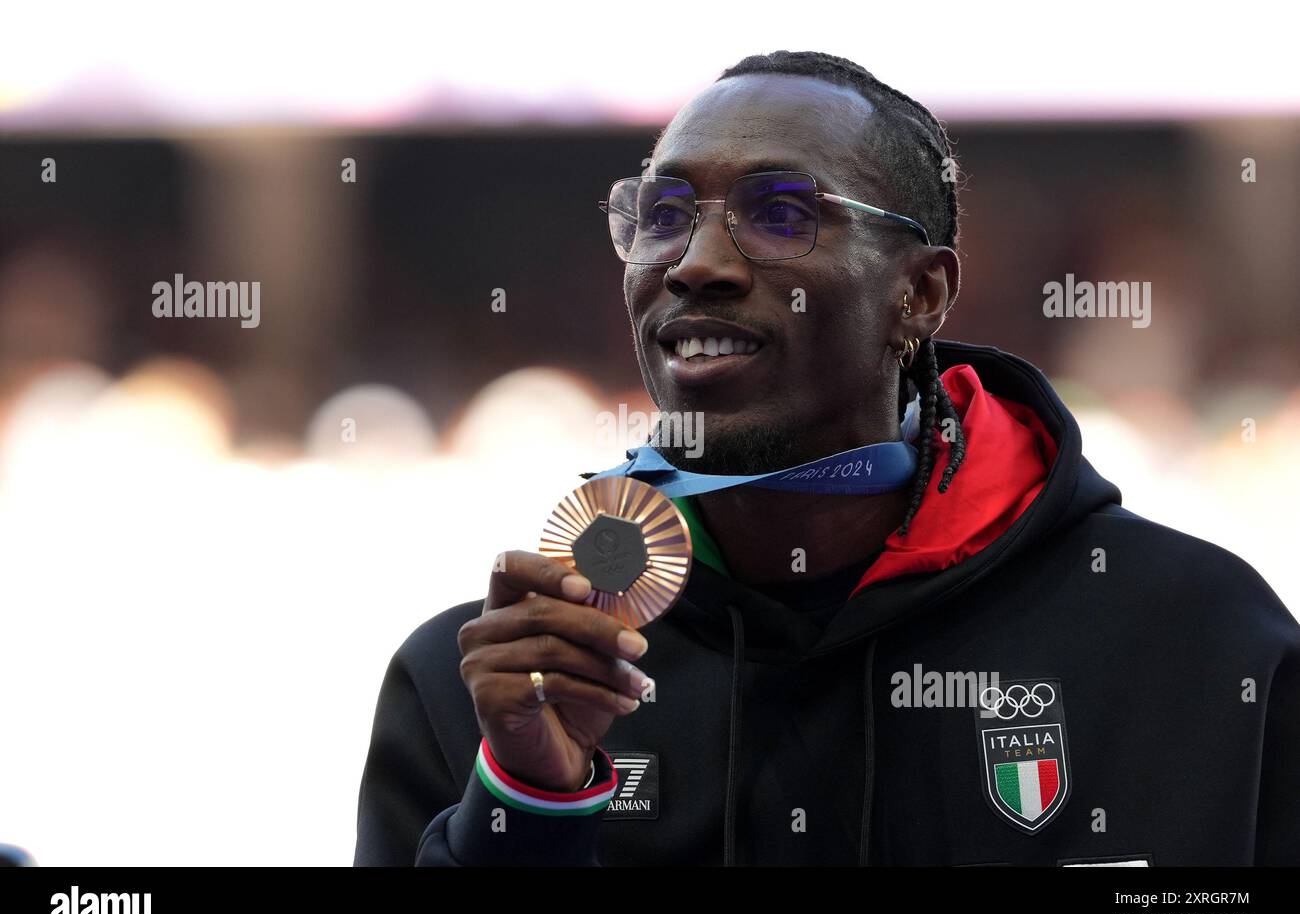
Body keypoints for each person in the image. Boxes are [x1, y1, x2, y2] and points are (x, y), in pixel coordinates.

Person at [353, 50, 1299, 866]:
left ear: (920, 295)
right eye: (665, 213)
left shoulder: (1200, 647)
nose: (695, 262)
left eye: (778, 213)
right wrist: (526, 810)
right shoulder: (486, 689)